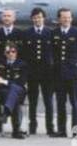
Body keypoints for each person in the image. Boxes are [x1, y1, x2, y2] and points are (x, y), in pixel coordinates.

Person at [50, 7, 77, 137]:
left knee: (75, 104)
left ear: (71, 19)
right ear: (59, 19)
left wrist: (76, 66)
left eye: (68, 17)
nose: (66, 19)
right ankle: (61, 130)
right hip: (58, 74)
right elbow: (52, 53)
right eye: (64, 17)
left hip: (73, 74)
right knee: (60, 103)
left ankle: (75, 131)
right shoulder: (54, 33)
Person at [18, 7, 55, 136]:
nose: (37, 20)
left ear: (43, 18)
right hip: (32, 72)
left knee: (48, 101)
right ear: (32, 19)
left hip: (47, 73)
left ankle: (50, 127)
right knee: (33, 101)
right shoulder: (26, 34)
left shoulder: (50, 33)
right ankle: (32, 125)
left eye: (39, 17)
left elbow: (54, 53)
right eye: (35, 18)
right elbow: (22, 54)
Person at [0, 42, 29, 139]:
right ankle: (16, 131)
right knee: (12, 96)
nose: (10, 54)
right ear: (4, 53)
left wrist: (3, 81)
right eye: (8, 52)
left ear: (16, 53)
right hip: (3, 93)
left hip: (19, 92)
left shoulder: (22, 64)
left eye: (13, 51)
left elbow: (21, 81)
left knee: (14, 90)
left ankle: (6, 113)